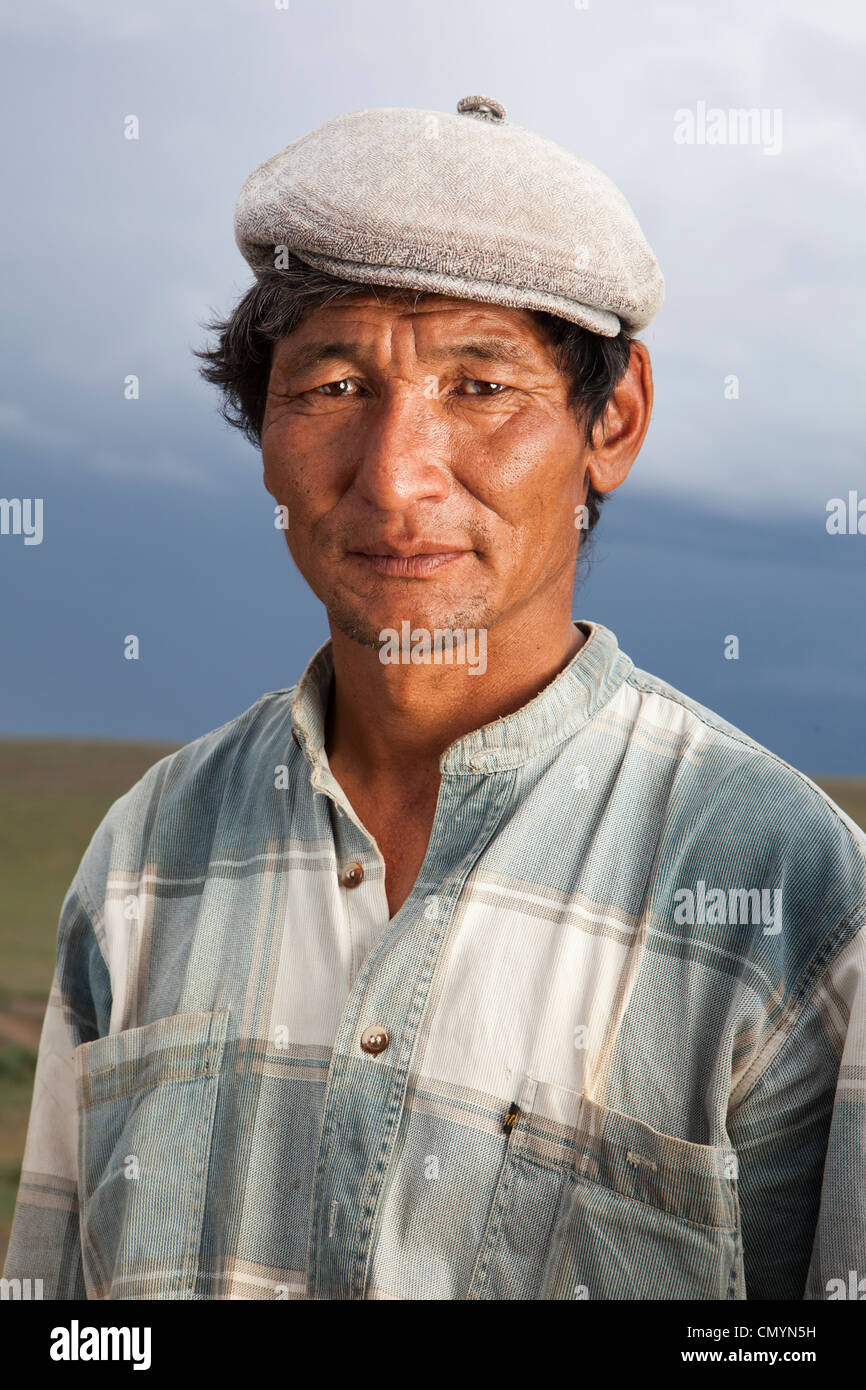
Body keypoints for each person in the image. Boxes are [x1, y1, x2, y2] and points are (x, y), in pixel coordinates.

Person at [5, 94, 865, 1301]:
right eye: (334, 386)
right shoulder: (147, 854)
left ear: (609, 423)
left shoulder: (794, 895)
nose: (398, 477)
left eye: (478, 386)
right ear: (263, 430)